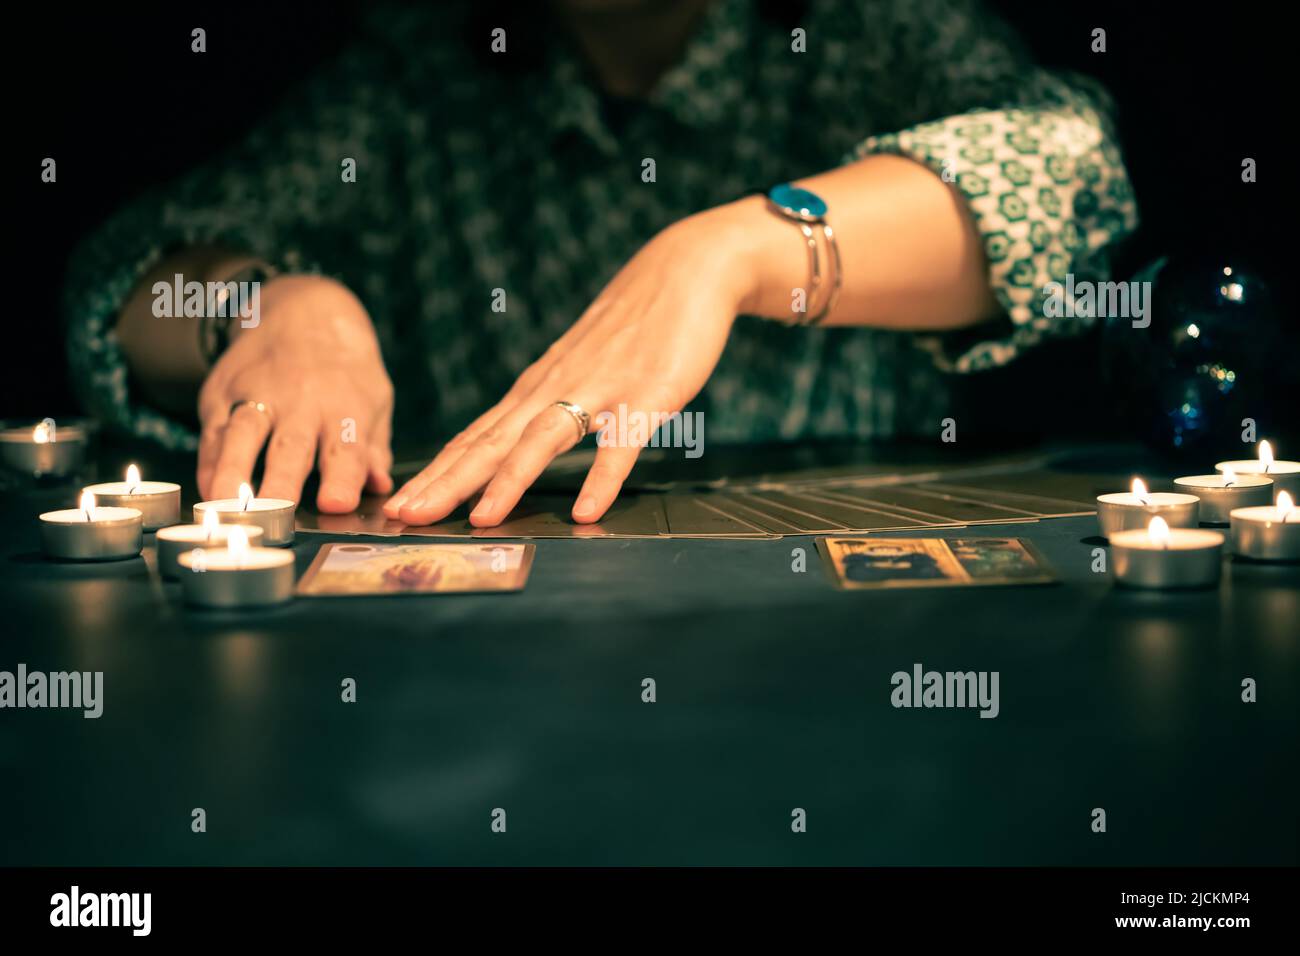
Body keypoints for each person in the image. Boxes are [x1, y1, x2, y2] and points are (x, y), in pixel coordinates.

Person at [62, 0, 1137, 528]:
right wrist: (272, 304)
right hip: (473, 694)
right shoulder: (415, 80)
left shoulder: (867, 31)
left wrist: (732, 249)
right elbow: (121, 272)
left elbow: (1074, 174)